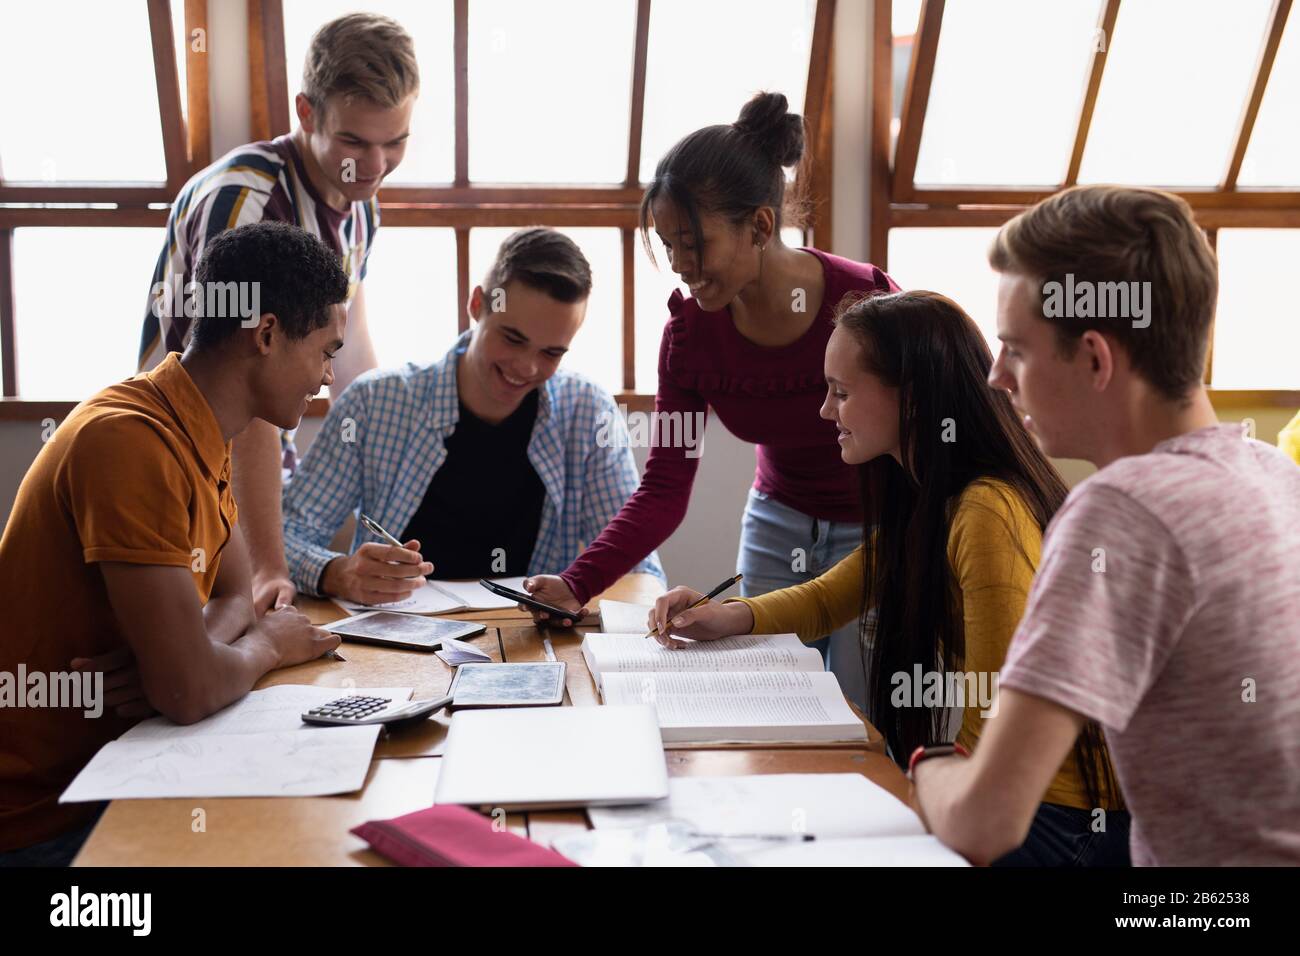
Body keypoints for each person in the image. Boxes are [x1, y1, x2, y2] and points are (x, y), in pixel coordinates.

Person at [649, 290, 1128, 866]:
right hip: (1021, 807)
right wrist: (728, 615)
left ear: (914, 401)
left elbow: (995, 717)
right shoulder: (931, 490)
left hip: (1058, 823)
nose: (826, 411)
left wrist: (926, 785)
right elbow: (831, 597)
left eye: (842, 393)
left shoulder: (986, 512)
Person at [913, 185, 1300, 866]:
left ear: (1095, 358)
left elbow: (984, 823)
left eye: (1016, 350)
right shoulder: (1273, 474)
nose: (997, 378)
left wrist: (925, 768)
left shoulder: (1124, 510)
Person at [524, 92, 896, 709]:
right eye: (669, 244)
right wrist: (575, 583)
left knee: (864, 712)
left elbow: (941, 415)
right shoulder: (690, 337)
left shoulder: (864, 301)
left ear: (760, 226)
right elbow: (665, 486)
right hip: (777, 523)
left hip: (879, 525)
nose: (679, 265)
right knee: (773, 703)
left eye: (693, 243)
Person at [0, 222, 348, 865]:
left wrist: (194, 653)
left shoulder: (198, 424)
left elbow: (237, 595)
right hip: (42, 820)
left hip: (128, 759)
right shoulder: (129, 442)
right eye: (326, 351)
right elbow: (188, 693)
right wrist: (262, 648)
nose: (328, 377)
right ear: (266, 334)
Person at [139, 13, 419, 612]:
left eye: (395, 142)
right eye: (354, 142)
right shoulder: (247, 200)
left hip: (256, 476)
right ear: (307, 112)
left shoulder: (361, 206)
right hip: (179, 470)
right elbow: (245, 379)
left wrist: (395, 493)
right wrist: (269, 566)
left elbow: (353, 354)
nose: (373, 165)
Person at [282, 228, 664, 604]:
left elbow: (638, 567)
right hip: (396, 640)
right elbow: (285, 535)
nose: (527, 367)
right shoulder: (374, 402)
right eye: (512, 339)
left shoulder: (588, 412)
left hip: (531, 642)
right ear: (478, 305)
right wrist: (338, 574)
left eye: (551, 353)